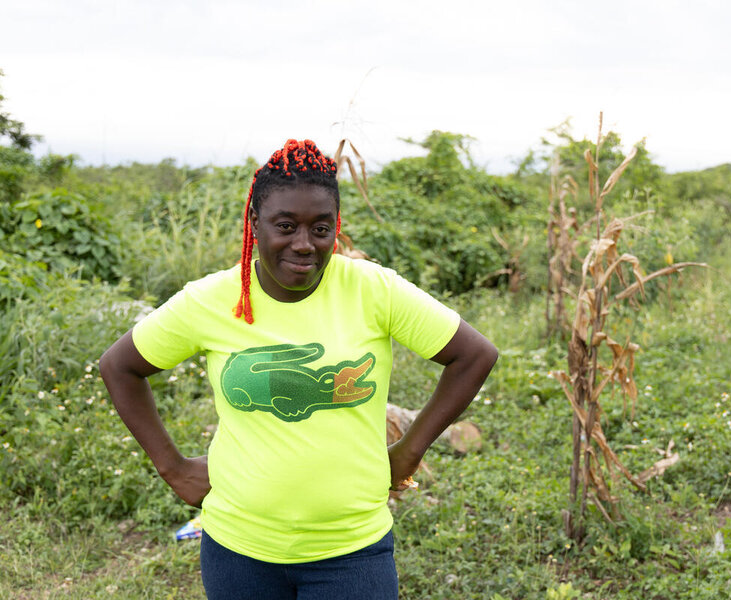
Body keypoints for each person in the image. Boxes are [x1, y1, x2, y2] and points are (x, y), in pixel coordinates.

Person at [99, 139, 498, 599]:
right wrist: (172, 467)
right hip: (238, 552)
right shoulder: (211, 300)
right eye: (285, 226)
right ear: (256, 223)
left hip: (353, 551)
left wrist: (407, 452)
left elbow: (474, 355)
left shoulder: (372, 290)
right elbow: (120, 367)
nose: (304, 245)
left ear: (336, 228)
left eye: (321, 228)